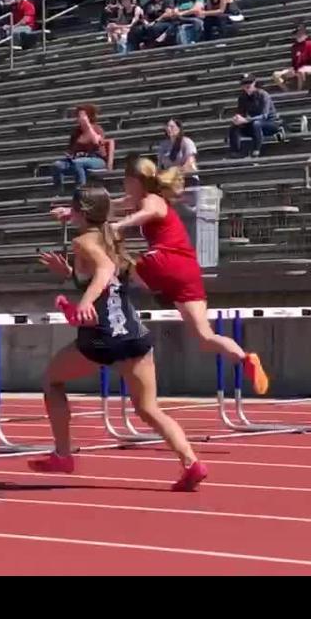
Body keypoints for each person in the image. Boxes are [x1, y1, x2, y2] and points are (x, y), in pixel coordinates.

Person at [34, 187, 209, 492]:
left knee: (52, 381)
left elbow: (105, 270)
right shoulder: (112, 238)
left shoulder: (83, 241)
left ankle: (63, 455)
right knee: (148, 408)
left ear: (81, 212)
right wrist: (69, 274)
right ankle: (192, 462)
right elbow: (108, 272)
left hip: (102, 337)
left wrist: (86, 301)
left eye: (72, 208)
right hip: (133, 334)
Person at [52, 157, 269, 395]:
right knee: (205, 337)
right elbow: (103, 206)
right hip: (188, 269)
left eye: (126, 182)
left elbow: (141, 214)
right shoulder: (139, 199)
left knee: (119, 266)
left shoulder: (152, 200)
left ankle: (145, 293)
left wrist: (116, 227)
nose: (124, 188)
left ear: (136, 181)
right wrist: (73, 213)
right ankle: (244, 357)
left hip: (164, 259)